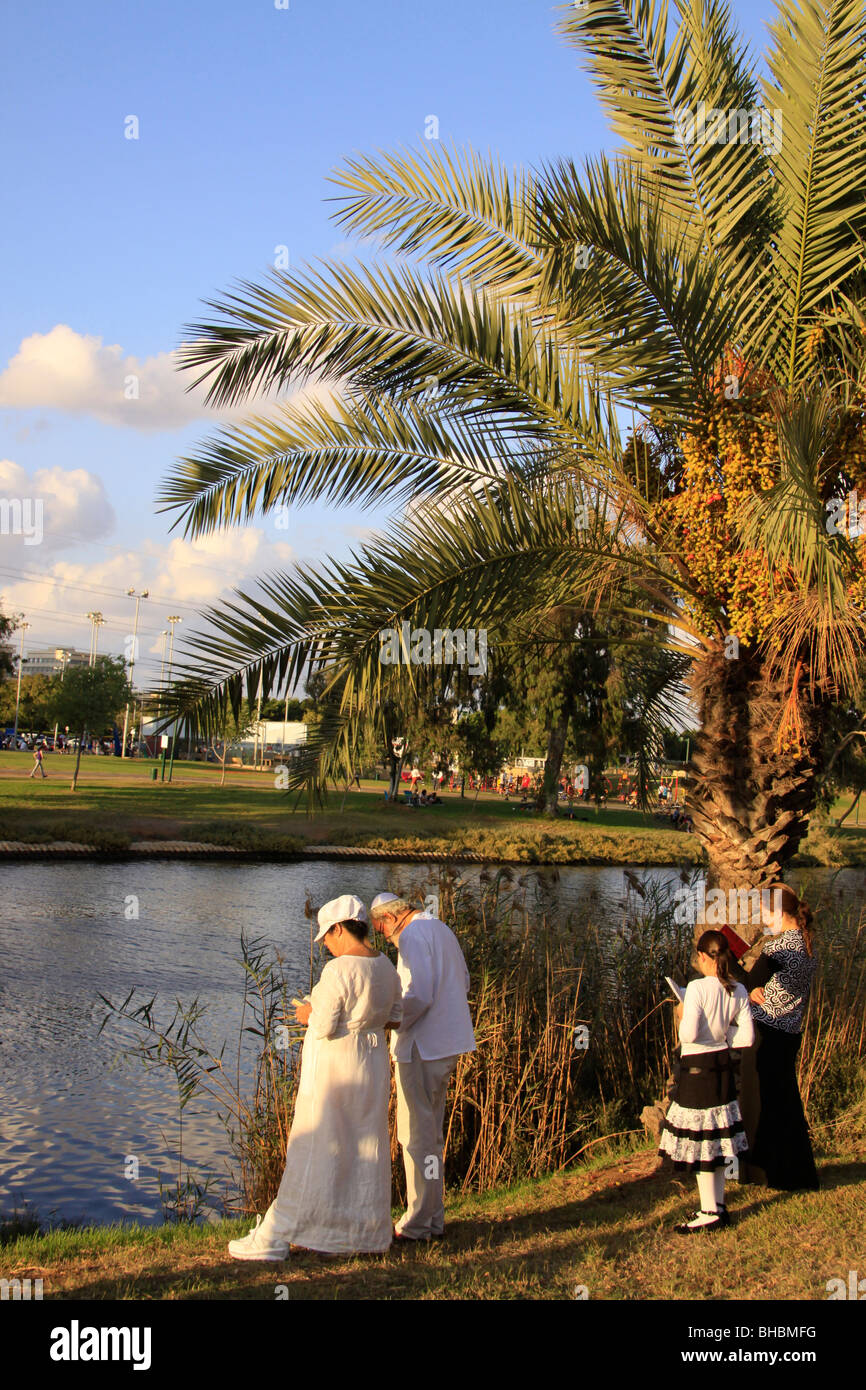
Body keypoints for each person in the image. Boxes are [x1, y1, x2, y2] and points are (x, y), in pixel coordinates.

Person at [228, 895, 403, 1260]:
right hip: (371, 1066)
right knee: (362, 1145)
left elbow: (322, 1025)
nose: (324, 944)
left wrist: (307, 1012)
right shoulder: (386, 966)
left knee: (315, 1144)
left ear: (339, 929)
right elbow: (396, 1016)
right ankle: (364, 1233)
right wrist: (362, 1019)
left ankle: (277, 1234)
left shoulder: (338, 971)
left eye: (326, 936)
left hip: (335, 1070)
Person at [369, 892, 476, 1242]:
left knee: (415, 1135)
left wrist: (387, 1019)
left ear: (390, 918)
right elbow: (463, 980)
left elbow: (419, 994)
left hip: (421, 1047)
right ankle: (433, 1218)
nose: (385, 938)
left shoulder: (412, 935)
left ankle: (416, 1223)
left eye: (381, 930)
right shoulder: (439, 927)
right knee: (431, 1134)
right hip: (446, 1045)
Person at [658, 930, 754, 1233]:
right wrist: (722, 1034)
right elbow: (748, 1037)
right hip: (722, 1067)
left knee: (702, 1143)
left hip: (697, 1069)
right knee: (718, 1138)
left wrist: (684, 1009)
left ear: (702, 956)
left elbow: (687, 1036)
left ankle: (708, 1211)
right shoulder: (738, 989)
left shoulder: (698, 988)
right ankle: (719, 1205)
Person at [738, 884, 820, 1191]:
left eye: (764, 911)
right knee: (786, 1101)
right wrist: (757, 990)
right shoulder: (805, 944)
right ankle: (793, 1172)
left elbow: (747, 981)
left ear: (777, 912)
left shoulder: (778, 948)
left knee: (769, 1102)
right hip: (791, 1030)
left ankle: (772, 1172)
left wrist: (732, 957)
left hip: (768, 1031)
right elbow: (762, 985)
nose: (762, 917)